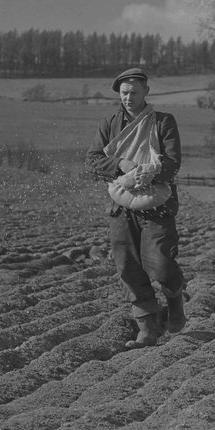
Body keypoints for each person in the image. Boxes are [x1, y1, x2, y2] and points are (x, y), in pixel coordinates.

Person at [85, 67, 186, 348]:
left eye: (134, 92)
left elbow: (173, 162)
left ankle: (175, 299)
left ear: (146, 92)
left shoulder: (163, 122)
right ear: (119, 93)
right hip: (121, 207)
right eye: (124, 92)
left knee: (161, 264)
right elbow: (92, 160)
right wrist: (121, 165)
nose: (129, 97)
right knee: (128, 267)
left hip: (158, 205)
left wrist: (150, 171)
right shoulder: (109, 124)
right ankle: (148, 329)